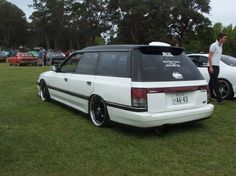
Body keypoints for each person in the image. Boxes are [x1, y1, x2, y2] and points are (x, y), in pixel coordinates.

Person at [208, 32, 227, 104]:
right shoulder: (213, 45)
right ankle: (220, 100)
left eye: (225, 38)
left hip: (217, 66)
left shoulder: (221, 45)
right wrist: (210, 67)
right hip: (212, 66)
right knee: (215, 83)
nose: (225, 40)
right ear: (220, 38)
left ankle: (208, 97)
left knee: (211, 83)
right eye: (224, 38)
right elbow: (210, 56)